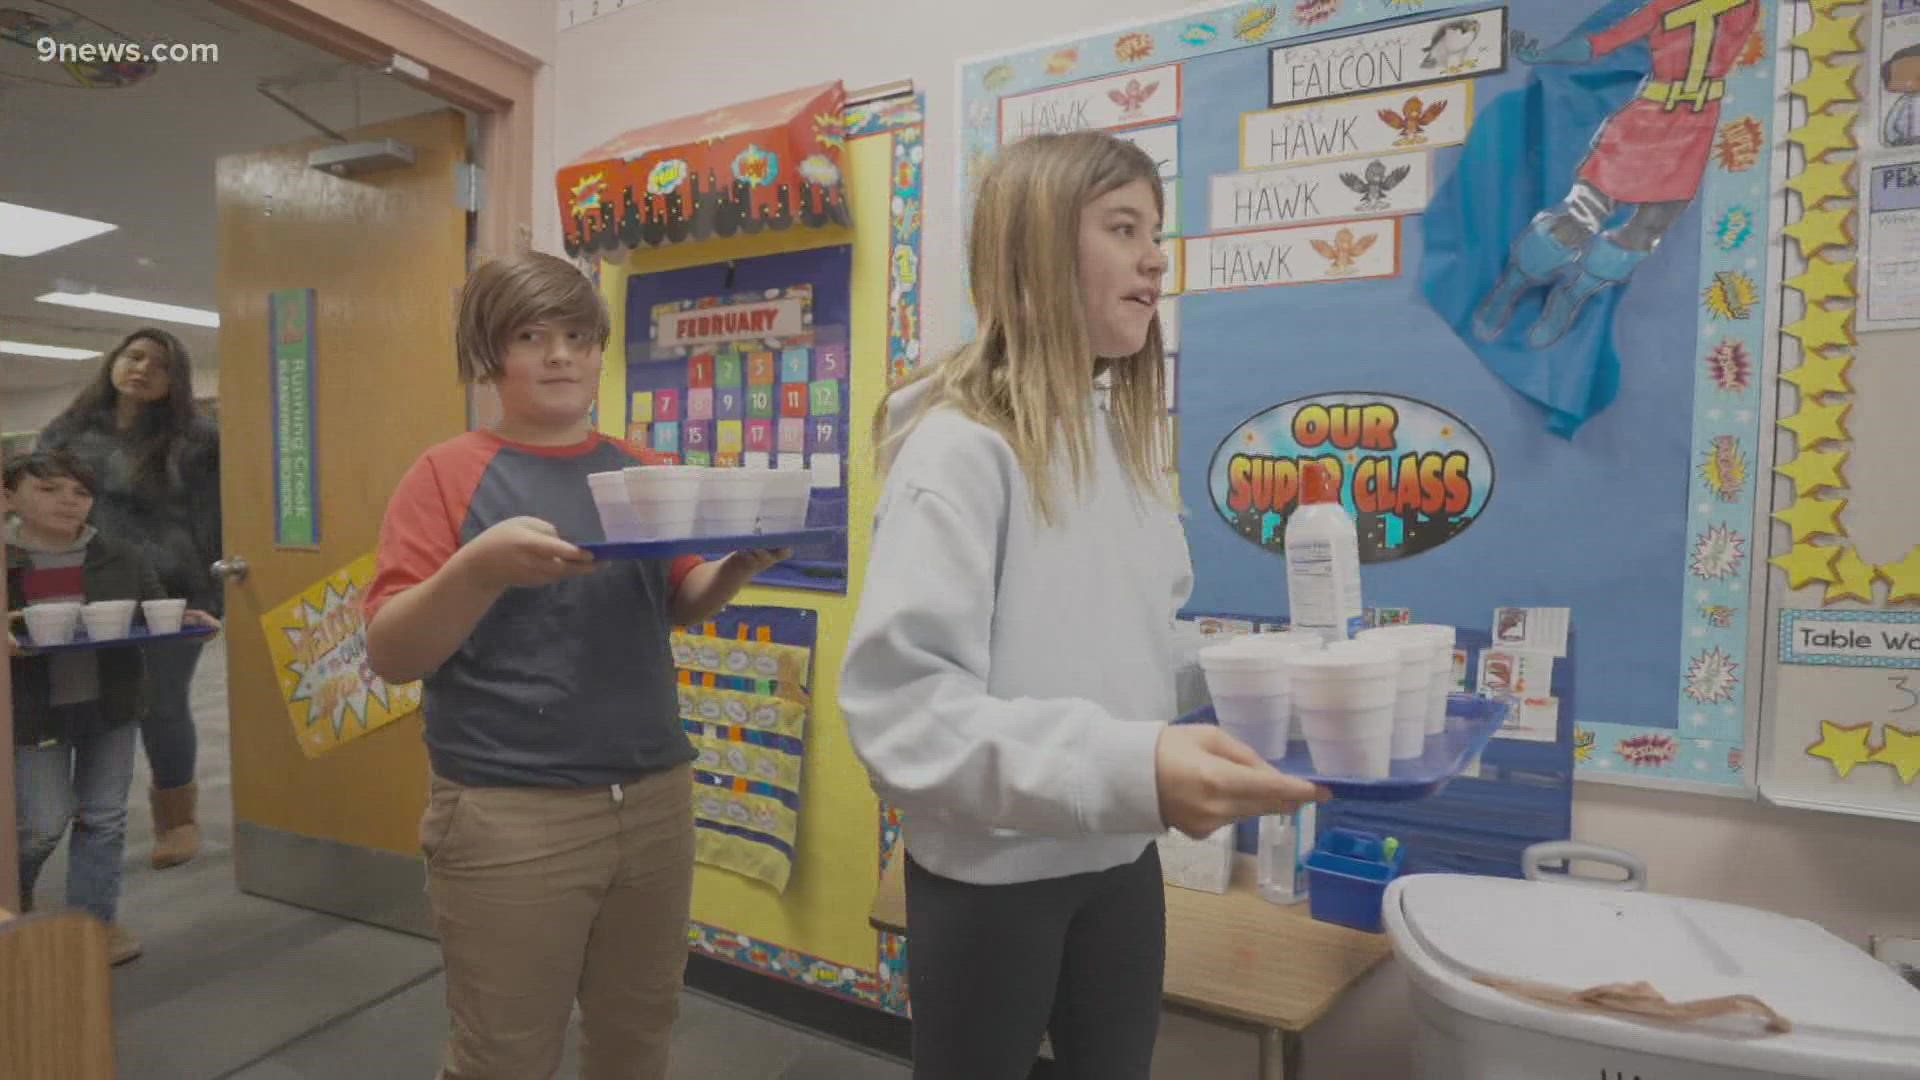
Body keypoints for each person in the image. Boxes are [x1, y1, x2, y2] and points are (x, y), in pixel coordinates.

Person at [839, 131, 1327, 1080]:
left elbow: (1137, 645)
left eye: (1157, 231)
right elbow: (904, 718)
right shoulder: (961, 454)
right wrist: (1136, 761)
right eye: (1123, 226)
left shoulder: (1126, 450)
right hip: (993, 880)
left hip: (1117, 860)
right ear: (1036, 250)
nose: (1155, 256)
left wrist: (1271, 677)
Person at [363, 250, 788, 1080]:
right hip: (508, 810)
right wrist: (477, 568)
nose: (560, 355)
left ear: (599, 351)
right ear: (491, 356)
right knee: (505, 1055)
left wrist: (737, 565)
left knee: (638, 1035)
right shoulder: (445, 475)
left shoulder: (640, 466)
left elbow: (673, 600)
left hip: (656, 794)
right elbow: (392, 654)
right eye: (530, 336)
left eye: (577, 336)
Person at [7, 451, 219, 964]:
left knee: (103, 818)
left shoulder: (118, 555)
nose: (67, 501)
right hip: (31, 712)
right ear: (8, 497)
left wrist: (183, 616)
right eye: (49, 489)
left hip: (111, 704)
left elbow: (149, 606)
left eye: (80, 493)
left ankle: (94, 925)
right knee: (42, 823)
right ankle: (16, 901)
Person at [38, 327, 221, 868]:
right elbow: (40, 512)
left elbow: (216, 520)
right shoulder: (66, 433)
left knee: (161, 705)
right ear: (115, 360)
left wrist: (216, 593)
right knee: (93, 706)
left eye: (159, 365)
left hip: (173, 591)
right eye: (134, 356)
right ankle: (88, 819)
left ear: (174, 381)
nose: (142, 369)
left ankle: (177, 818)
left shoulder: (198, 438)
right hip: (83, 587)